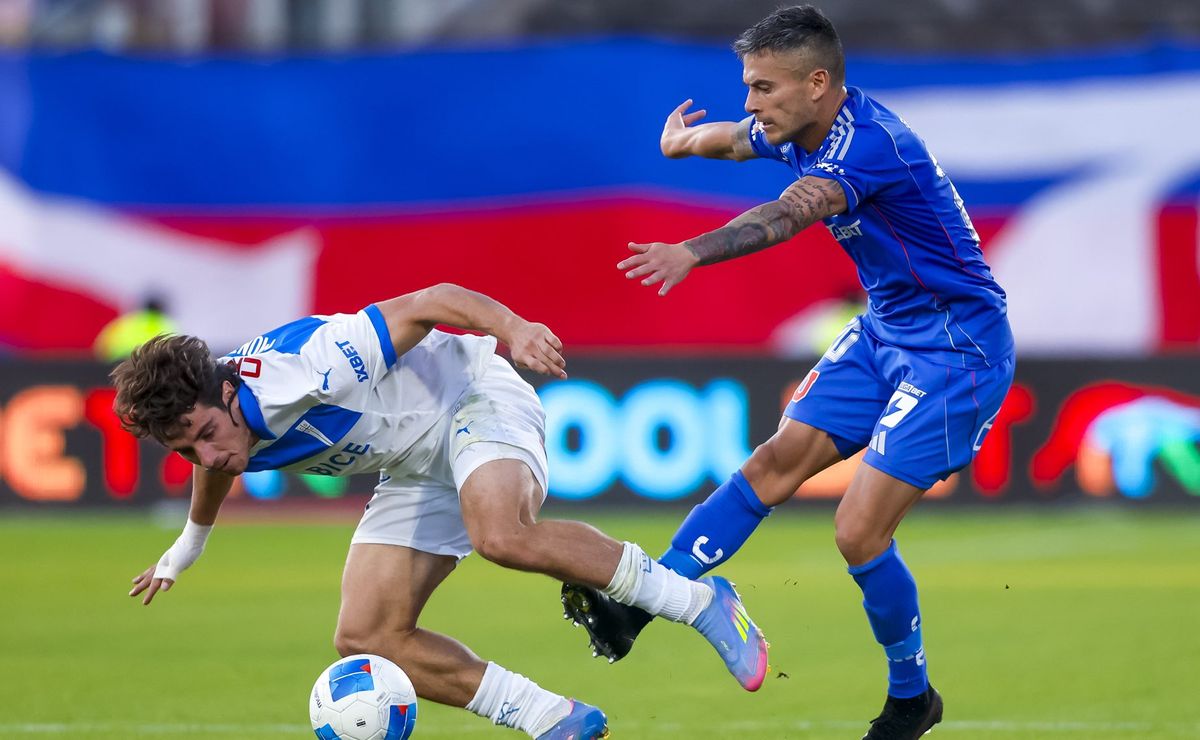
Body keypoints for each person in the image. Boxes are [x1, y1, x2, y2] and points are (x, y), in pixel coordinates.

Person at [559, 7, 1015, 739]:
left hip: (958, 349)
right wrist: (683, 143)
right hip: (886, 331)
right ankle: (646, 604)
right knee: (773, 463)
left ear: (817, 82)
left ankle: (911, 699)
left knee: (857, 532)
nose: (750, 101)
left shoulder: (870, 146)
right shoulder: (796, 123)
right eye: (747, 84)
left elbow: (784, 216)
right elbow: (737, 141)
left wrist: (691, 252)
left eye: (764, 87)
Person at [116, 283, 769, 740]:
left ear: (227, 390)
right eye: (186, 449)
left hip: (473, 397)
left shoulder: (306, 366)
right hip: (414, 465)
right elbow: (213, 469)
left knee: (500, 534)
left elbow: (433, 300)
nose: (209, 455)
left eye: (205, 433)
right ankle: (552, 718)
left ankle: (699, 602)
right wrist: (188, 546)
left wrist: (512, 329)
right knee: (366, 636)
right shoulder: (218, 437)